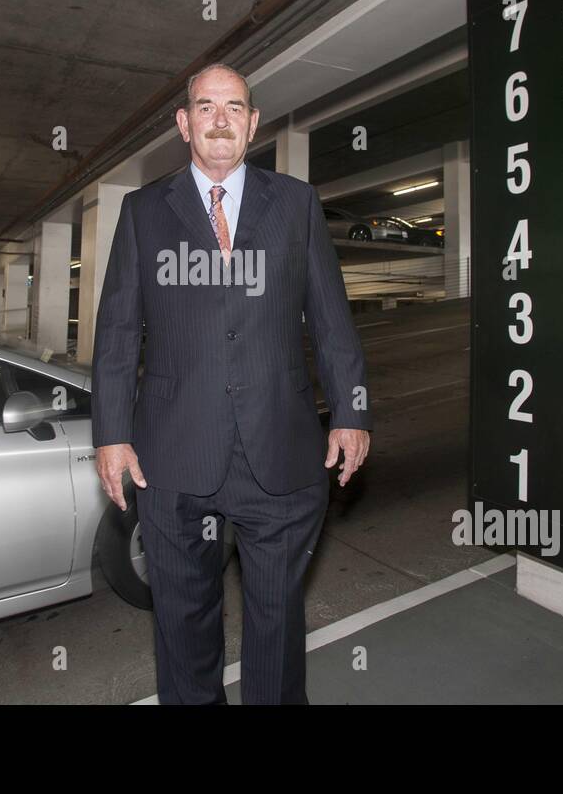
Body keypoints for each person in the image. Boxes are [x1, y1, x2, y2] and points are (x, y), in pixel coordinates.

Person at [92, 62, 371, 704]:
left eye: (235, 106)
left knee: (276, 621)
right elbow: (115, 334)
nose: (221, 117)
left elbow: (331, 320)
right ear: (184, 123)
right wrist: (111, 435)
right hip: (172, 454)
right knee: (183, 623)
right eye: (206, 105)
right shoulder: (142, 213)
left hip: (280, 448)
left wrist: (353, 412)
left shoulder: (296, 204)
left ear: (253, 122)